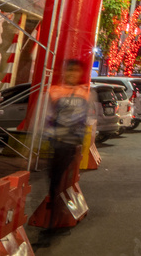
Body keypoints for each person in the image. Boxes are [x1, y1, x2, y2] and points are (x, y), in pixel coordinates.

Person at [42, 59, 92, 235]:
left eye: (75, 71)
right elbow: (47, 116)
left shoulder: (84, 93)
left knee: (60, 182)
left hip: (72, 144)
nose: (72, 74)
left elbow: (87, 118)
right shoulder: (55, 92)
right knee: (54, 182)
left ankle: (55, 220)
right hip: (56, 143)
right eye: (69, 71)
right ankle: (53, 220)